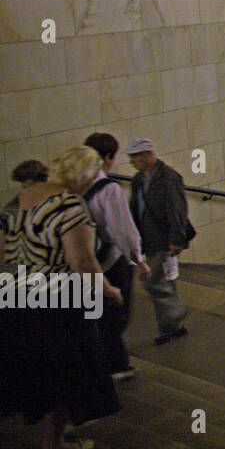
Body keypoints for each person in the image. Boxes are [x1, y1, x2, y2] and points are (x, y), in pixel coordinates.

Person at [0, 145, 123, 449]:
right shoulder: (69, 205)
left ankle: (54, 427)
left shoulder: (18, 200)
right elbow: (81, 260)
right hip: (57, 302)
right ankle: (53, 446)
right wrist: (108, 289)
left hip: (15, 297)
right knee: (68, 370)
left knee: (35, 368)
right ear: (81, 176)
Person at [82, 133, 149, 382]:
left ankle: (95, 360)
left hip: (85, 260)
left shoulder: (76, 182)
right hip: (110, 260)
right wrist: (138, 259)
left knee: (93, 312)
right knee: (115, 313)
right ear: (109, 157)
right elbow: (122, 230)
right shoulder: (108, 188)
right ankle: (115, 364)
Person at [125, 138, 191, 345]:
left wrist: (176, 239)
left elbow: (177, 210)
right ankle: (172, 326)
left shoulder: (169, 177)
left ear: (147, 155)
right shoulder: (138, 179)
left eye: (135, 156)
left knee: (154, 280)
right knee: (163, 280)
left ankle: (175, 316)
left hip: (164, 238)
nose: (132, 161)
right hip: (148, 236)